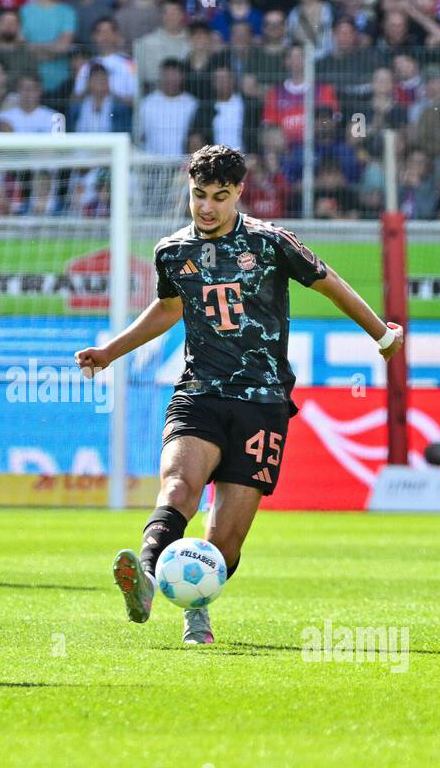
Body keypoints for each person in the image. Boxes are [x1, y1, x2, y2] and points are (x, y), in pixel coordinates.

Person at [73, 144, 403, 645]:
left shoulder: (271, 243)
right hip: (198, 393)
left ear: (239, 194)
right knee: (178, 488)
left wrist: (380, 334)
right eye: (199, 195)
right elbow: (167, 309)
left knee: (226, 537)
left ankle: (195, 610)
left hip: (262, 403)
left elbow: (329, 282)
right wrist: (111, 351)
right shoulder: (172, 251)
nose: (207, 207)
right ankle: (143, 576)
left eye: (219, 197)